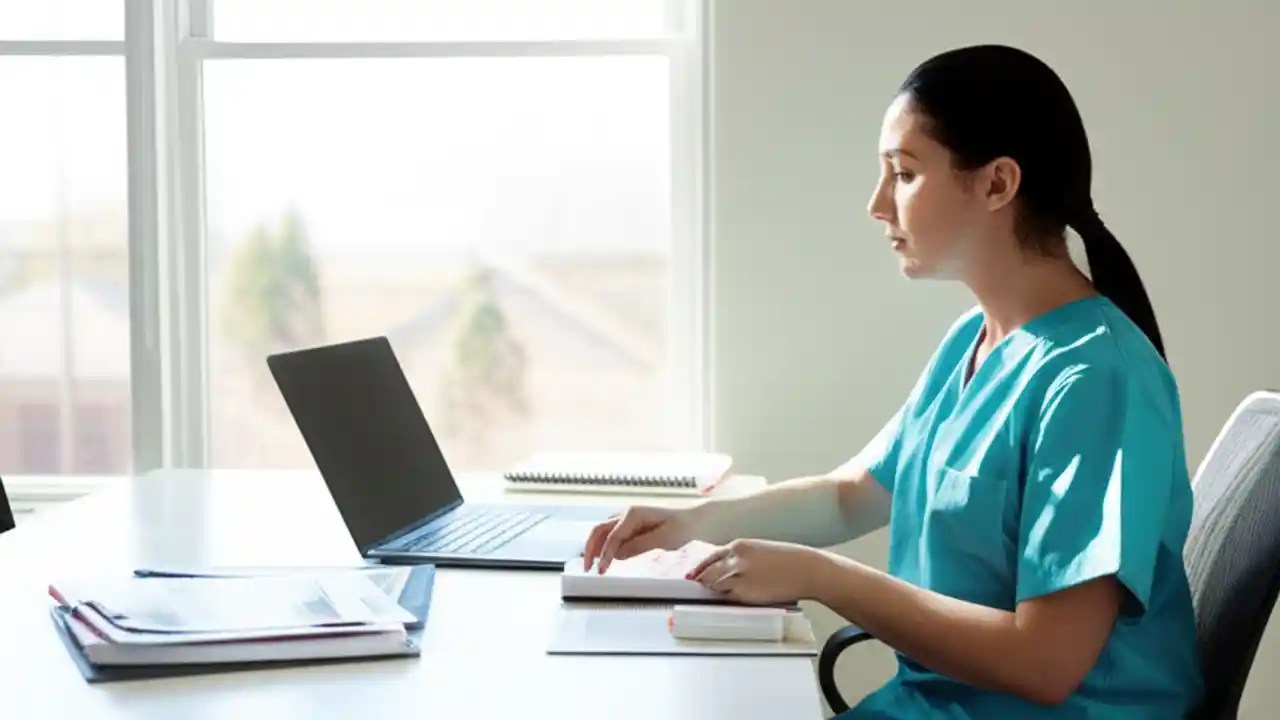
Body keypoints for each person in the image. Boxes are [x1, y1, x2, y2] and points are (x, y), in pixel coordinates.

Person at [582, 45, 1204, 718]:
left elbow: (1047, 661)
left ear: (997, 184)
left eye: (903, 174)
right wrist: (687, 526)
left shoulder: (1095, 379)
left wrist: (822, 578)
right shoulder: (974, 340)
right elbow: (852, 496)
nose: (878, 205)